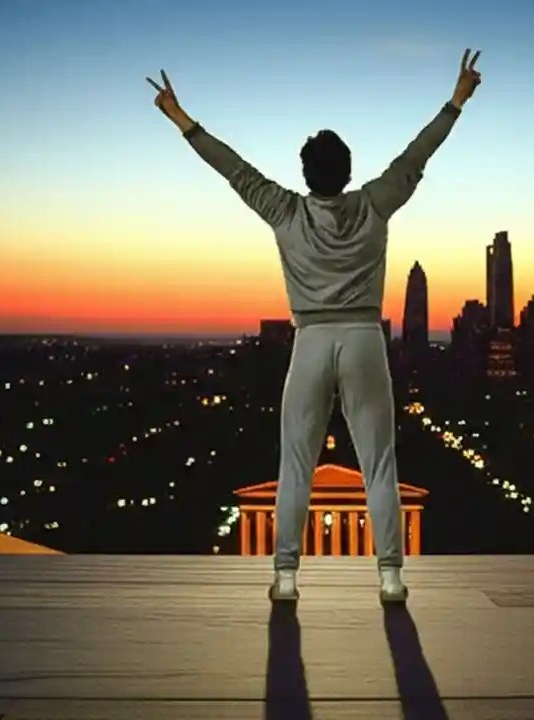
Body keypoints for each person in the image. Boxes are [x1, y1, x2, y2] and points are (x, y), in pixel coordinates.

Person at [147, 49, 483, 603]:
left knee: (295, 463)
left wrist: (179, 117)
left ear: (306, 175)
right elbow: (416, 155)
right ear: (348, 172)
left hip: (310, 342)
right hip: (364, 340)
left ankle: (285, 576)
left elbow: (234, 169)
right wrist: (456, 101)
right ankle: (391, 576)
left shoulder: (284, 210)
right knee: (380, 463)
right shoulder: (374, 204)